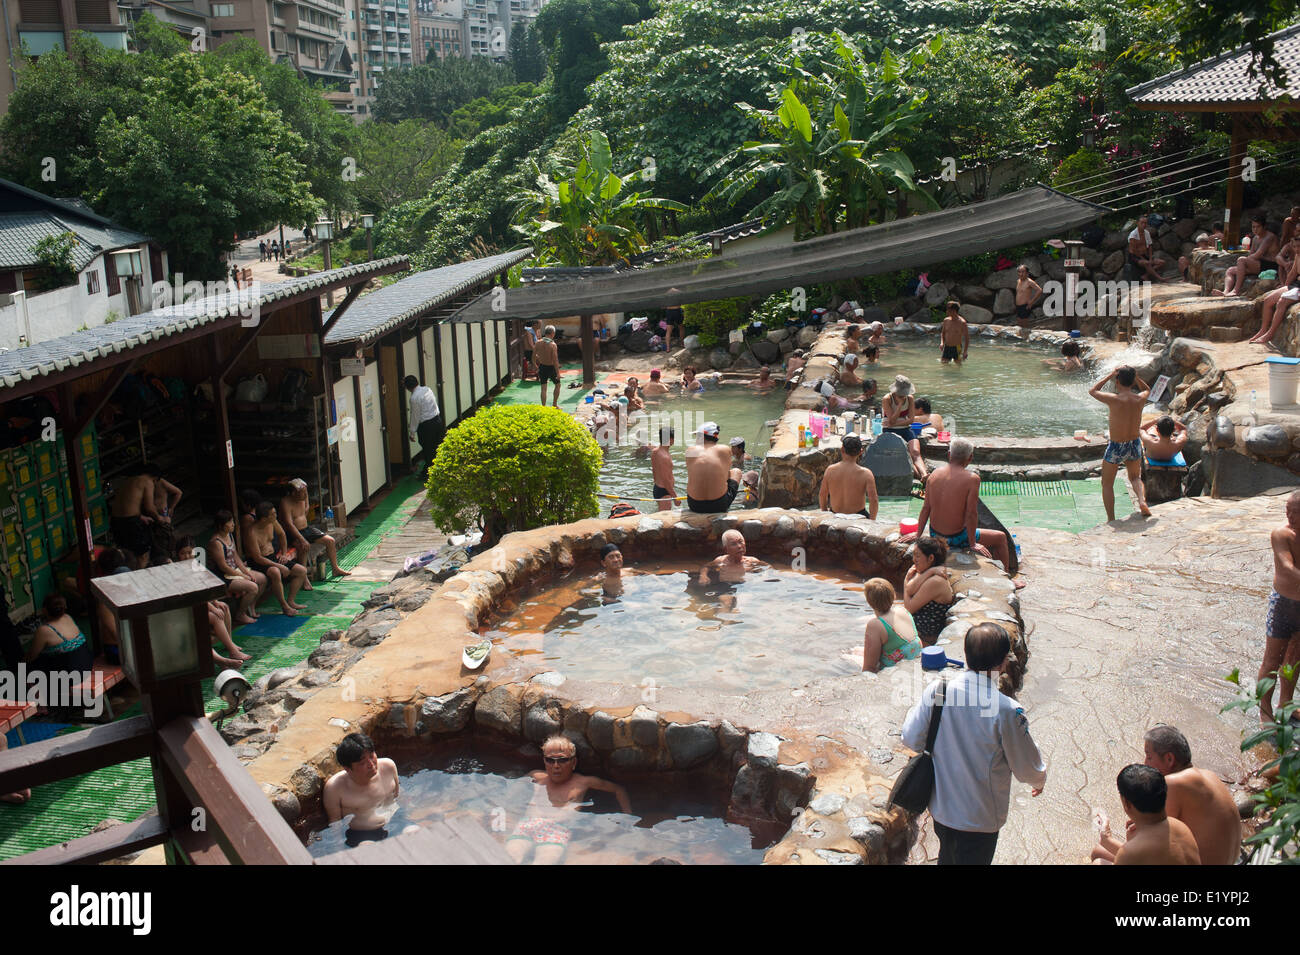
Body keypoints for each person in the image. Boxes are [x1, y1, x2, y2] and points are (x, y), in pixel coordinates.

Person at [902, 622, 1046, 865]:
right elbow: (1026, 765)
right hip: (980, 817)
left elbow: (911, 737)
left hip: (942, 808)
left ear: (967, 657)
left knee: (949, 855)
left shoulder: (940, 690)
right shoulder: (1007, 710)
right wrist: (1038, 780)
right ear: (1002, 662)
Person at [1092, 726, 1240, 866]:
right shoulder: (1208, 775)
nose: (1145, 763)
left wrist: (1108, 838)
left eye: (1149, 757)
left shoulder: (1172, 784)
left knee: (1098, 859)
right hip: (1230, 859)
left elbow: (1154, 849)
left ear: (1169, 759)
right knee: (1100, 851)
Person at [507, 735, 631, 865]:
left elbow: (618, 790)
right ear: (544, 761)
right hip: (527, 825)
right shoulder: (536, 777)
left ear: (573, 763)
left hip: (556, 831)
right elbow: (513, 791)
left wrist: (628, 818)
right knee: (508, 859)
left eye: (562, 760)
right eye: (550, 760)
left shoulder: (583, 782)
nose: (556, 766)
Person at [908, 438, 1013, 571]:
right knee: (1000, 538)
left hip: (935, 535)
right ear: (970, 458)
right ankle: (1007, 576)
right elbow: (971, 514)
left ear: (949, 455)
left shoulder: (934, 475)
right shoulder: (972, 479)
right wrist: (972, 543)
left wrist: (918, 534)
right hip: (956, 538)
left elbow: (926, 508)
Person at [1094, 765, 1200, 865]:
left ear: (1126, 803)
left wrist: (1127, 845)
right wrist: (1107, 839)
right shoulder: (1181, 826)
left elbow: (1135, 855)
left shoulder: (1130, 854)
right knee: (1099, 851)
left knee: (1097, 862)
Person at [1090, 366, 1152, 520]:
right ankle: (1142, 501)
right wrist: (1136, 377)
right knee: (1135, 477)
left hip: (1117, 445)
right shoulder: (1140, 398)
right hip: (1134, 443)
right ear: (1132, 382)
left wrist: (1110, 375)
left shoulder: (1114, 399)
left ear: (1117, 381)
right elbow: (1147, 389)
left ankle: (1111, 518)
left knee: (1107, 483)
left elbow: (1093, 391)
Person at [1260, 490, 1300, 725]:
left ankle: (1286, 703)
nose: (1291, 517)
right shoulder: (1281, 534)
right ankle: (1264, 712)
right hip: (1283, 604)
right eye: (1288, 512)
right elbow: (1286, 567)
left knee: (1294, 659)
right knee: (1271, 660)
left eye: (1296, 513)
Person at [176, 538, 249, 665]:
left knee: (224, 606)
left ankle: (229, 643)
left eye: (189, 552)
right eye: (183, 553)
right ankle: (232, 651)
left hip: (201, 603)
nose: (187, 556)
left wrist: (215, 602)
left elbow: (206, 588)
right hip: (189, 608)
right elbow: (195, 596)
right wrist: (212, 607)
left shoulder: (196, 566)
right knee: (216, 616)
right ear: (177, 554)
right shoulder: (179, 571)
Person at [323, 732, 400, 847]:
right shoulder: (335, 788)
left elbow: (397, 795)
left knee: (414, 833)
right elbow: (335, 823)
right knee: (367, 849)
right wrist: (338, 848)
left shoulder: (388, 766)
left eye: (372, 755)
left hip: (395, 820)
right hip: (363, 835)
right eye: (362, 762)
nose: (371, 764)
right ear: (347, 768)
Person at [244, 501, 309, 616]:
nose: (276, 516)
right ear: (264, 518)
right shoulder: (251, 532)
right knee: (275, 571)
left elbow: (282, 535)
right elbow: (258, 558)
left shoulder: (272, 522)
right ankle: (284, 606)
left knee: (301, 571)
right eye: (273, 514)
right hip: (257, 562)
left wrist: (283, 554)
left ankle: (290, 601)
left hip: (272, 557)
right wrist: (279, 566)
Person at [279, 479, 349, 578]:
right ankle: (303, 578)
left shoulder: (303, 498)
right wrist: (302, 540)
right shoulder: (285, 502)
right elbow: (289, 524)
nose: (305, 495)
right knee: (304, 547)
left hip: (306, 529)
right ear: (294, 493)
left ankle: (335, 569)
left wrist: (305, 494)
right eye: (302, 493)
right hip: (293, 533)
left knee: (330, 541)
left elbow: (306, 511)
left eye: (305, 492)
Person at [207, 510, 265, 626]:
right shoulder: (216, 542)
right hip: (223, 576)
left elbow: (235, 556)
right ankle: (240, 614)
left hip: (235, 571)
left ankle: (251, 606)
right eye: (230, 522)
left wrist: (245, 572)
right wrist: (242, 576)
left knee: (262, 578)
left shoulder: (229, 535)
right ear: (221, 526)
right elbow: (223, 566)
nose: (233, 524)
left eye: (232, 521)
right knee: (253, 587)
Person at [903, 536, 958, 643]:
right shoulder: (926, 572)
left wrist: (906, 579)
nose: (914, 559)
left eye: (917, 555)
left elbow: (908, 608)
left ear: (931, 558)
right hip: (918, 628)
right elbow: (910, 590)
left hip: (926, 635)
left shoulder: (936, 581)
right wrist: (930, 571)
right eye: (913, 555)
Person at [24, 594, 94, 677]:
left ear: (44, 610)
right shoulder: (68, 617)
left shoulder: (44, 630)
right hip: (87, 666)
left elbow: (32, 656)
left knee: (28, 666)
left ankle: (39, 688)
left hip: (72, 675)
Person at [1249, 236, 1300, 345]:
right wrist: (1285, 287)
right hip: (1295, 285)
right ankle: (1263, 330)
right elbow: (1292, 274)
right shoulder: (1297, 256)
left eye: (1299, 247)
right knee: (1268, 300)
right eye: (1295, 247)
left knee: (1282, 301)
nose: (1297, 249)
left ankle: (1270, 334)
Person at [861, 577, 921, 672]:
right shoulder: (902, 610)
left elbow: (869, 667)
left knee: (848, 656)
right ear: (894, 596)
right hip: (915, 661)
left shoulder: (875, 625)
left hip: (897, 673)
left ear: (869, 602)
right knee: (856, 651)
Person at [1214, 214, 1279, 296]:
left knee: (1241, 259)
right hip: (1259, 265)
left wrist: (1244, 262)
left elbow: (1257, 255)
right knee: (1230, 270)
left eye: (1258, 227)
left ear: (1264, 227)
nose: (1255, 229)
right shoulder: (1255, 238)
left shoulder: (1269, 237)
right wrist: (1244, 264)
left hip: (1270, 266)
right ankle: (1225, 291)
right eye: (1253, 227)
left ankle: (1236, 290)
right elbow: (1251, 254)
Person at [110, 466, 160, 569]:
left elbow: (126, 504)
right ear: (155, 478)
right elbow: (150, 508)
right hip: (130, 523)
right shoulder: (147, 481)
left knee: (126, 554)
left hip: (116, 521)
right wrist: (160, 519)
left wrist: (140, 516)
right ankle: (141, 580)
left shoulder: (128, 481)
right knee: (143, 555)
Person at [685, 422, 741, 513]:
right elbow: (726, 476)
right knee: (736, 471)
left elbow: (692, 475)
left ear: (701, 437)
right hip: (718, 505)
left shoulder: (690, 450)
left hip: (694, 505)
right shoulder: (725, 449)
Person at [881, 375, 927, 482]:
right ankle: (919, 476)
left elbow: (911, 420)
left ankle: (924, 474)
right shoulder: (887, 399)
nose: (904, 396)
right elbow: (892, 420)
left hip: (906, 429)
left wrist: (894, 423)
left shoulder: (910, 398)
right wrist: (899, 406)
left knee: (915, 452)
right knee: (901, 453)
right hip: (889, 431)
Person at [818, 434, 878, 518]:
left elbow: (822, 495)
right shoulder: (866, 474)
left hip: (835, 515)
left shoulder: (830, 470)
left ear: (842, 449)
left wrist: (826, 513)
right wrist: (872, 521)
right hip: (858, 517)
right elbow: (873, 500)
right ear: (861, 451)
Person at [404, 375, 442, 475]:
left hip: (426, 426)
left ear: (407, 388)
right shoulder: (427, 389)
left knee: (428, 450)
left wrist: (412, 433)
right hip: (437, 420)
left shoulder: (414, 398)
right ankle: (437, 469)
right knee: (436, 447)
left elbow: (415, 416)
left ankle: (429, 472)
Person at [697, 528, 764, 584]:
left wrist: (765, 576)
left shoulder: (752, 561)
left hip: (747, 587)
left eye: (741, 542)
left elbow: (768, 568)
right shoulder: (720, 561)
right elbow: (706, 566)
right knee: (725, 599)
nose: (739, 546)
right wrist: (703, 576)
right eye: (734, 544)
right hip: (725, 587)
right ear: (726, 549)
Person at [149, 467, 182, 566]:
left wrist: (171, 508)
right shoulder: (146, 485)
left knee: (166, 542)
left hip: (163, 516)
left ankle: (169, 561)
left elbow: (178, 493)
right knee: (154, 543)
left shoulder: (161, 482)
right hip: (151, 517)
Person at [1128, 213, 1170, 283]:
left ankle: (1145, 275)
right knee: (1147, 263)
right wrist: (1143, 258)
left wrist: (1150, 258)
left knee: (1161, 262)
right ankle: (1160, 278)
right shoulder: (1133, 235)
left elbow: (1150, 246)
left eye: (1145, 223)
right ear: (1137, 223)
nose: (1144, 225)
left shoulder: (1146, 233)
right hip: (1135, 257)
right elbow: (1133, 250)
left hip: (1145, 255)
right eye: (1142, 223)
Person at [533, 325, 561, 407]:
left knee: (543, 388)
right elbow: (555, 361)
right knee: (558, 385)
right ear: (553, 333)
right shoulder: (553, 345)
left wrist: (536, 366)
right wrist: (558, 373)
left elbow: (533, 357)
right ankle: (554, 405)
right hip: (551, 368)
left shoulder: (538, 343)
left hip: (542, 367)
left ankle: (544, 407)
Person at [651, 425, 676, 512]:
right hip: (665, 491)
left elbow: (654, 471)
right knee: (664, 519)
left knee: (660, 513)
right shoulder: (665, 457)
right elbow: (666, 480)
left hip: (657, 487)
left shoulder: (655, 451)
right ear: (671, 440)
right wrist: (675, 497)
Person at [1014, 265, 1043, 331]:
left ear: (1027, 273)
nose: (1021, 274)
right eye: (1019, 272)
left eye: (1023, 272)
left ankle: (1026, 339)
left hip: (1025, 306)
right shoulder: (1018, 281)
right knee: (1019, 326)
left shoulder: (1030, 282)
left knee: (1025, 327)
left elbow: (1039, 290)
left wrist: (1031, 302)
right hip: (1018, 306)